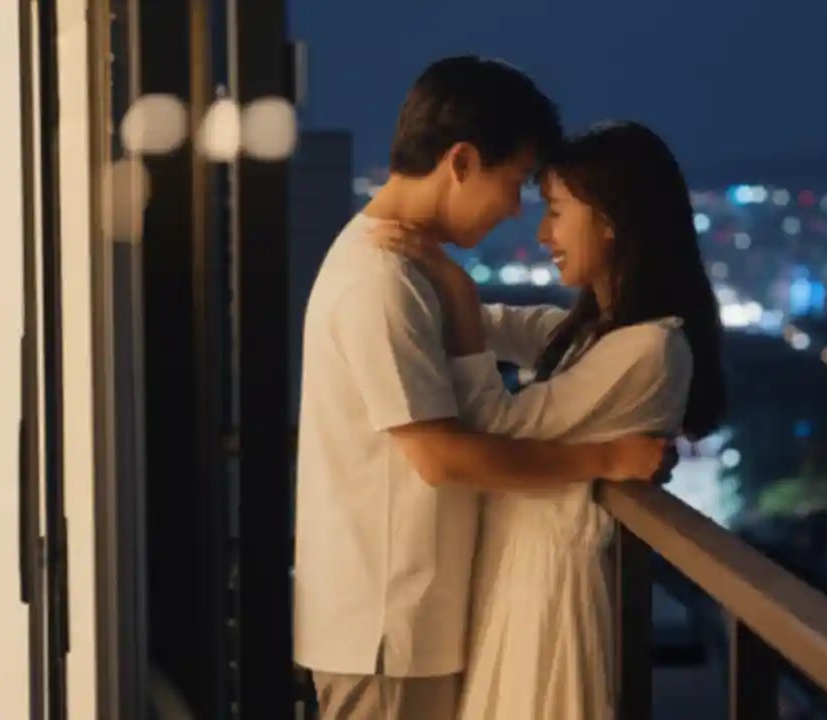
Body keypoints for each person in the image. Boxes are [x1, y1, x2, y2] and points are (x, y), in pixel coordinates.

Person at [292, 57, 669, 720]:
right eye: (515, 181)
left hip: (395, 623)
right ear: (461, 161)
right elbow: (442, 456)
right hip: (387, 630)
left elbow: (502, 339)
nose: (516, 208)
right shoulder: (382, 282)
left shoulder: (399, 272)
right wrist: (606, 460)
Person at [372, 120, 726, 720]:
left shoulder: (649, 348)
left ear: (611, 221)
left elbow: (496, 424)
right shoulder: (594, 333)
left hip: (551, 593)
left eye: (556, 212)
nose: (542, 233)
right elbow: (506, 326)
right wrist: (419, 273)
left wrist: (456, 295)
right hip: (523, 579)